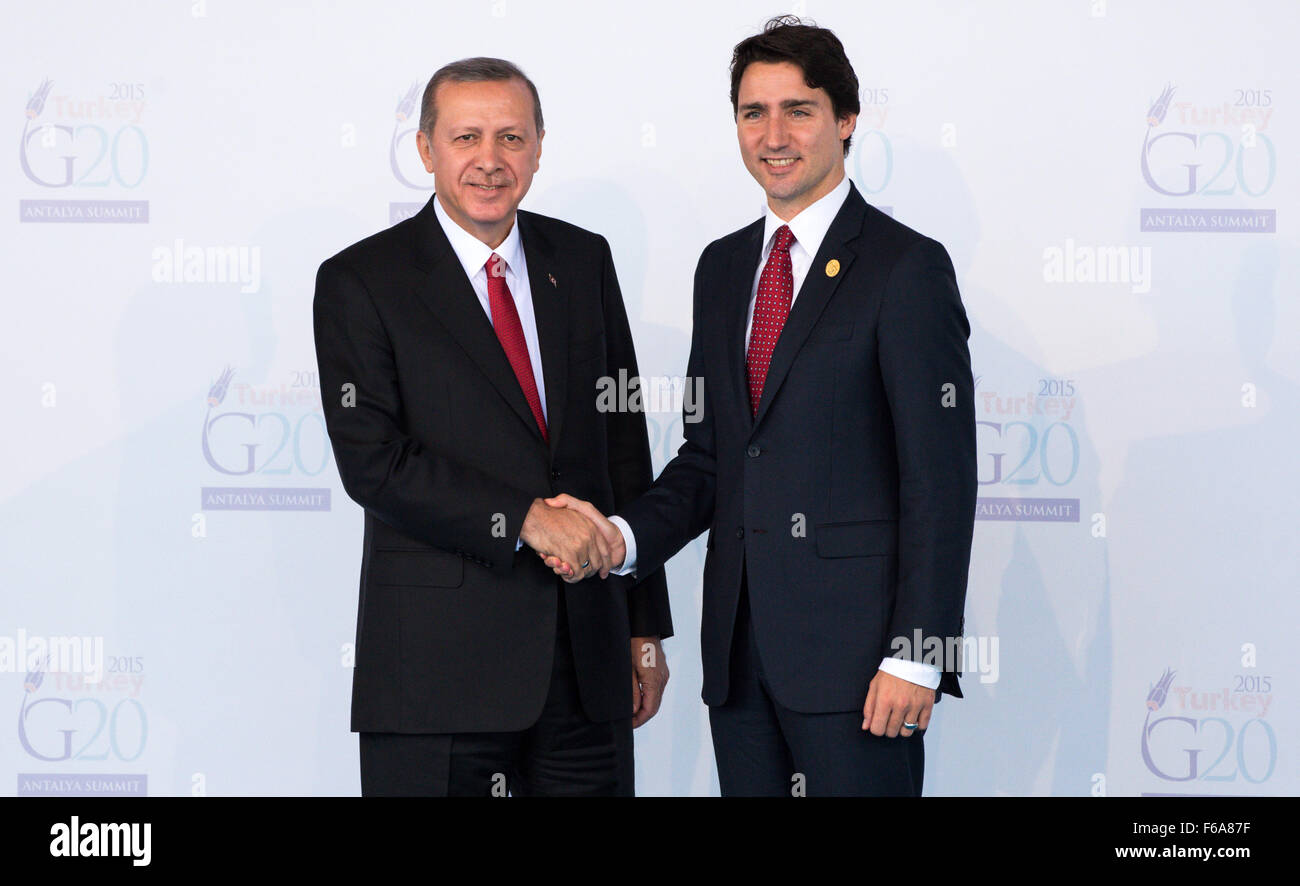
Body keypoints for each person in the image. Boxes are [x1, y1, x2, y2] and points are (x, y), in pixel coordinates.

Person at [543, 16, 976, 796]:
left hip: (862, 671)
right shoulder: (723, 266)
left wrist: (917, 653)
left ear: (845, 120)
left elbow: (939, 482)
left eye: (799, 110)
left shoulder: (906, 267)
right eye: (753, 112)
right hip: (739, 665)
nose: (774, 135)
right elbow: (712, 457)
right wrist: (620, 535)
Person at [313, 57, 672, 796]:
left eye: (511, 137)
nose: (489, 160)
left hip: (587, 671)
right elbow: (373, 461)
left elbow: (623, 450)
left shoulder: (583, 260)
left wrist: (643, 628)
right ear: (426, 151)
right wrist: (524, 520)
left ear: (539, 148)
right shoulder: (360, 280)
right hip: (437, 682)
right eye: (466, 136)